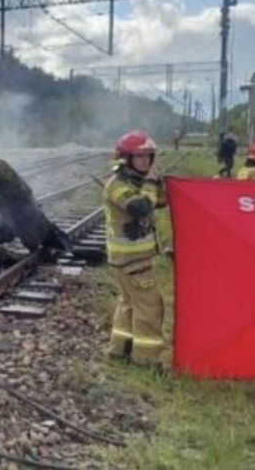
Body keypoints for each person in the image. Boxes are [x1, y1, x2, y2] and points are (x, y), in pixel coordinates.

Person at [104, 130, 168, 367]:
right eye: (139, 156)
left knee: (129, 304)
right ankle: (147, 361)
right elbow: (140, 207)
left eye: (148, 156)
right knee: (149, 308)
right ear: (126, 158)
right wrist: (151, 182)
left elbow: (160, 202)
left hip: (129, 261)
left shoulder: (134, 181)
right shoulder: (117, 185)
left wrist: (160, 184)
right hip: (133, 261)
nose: (145, 161)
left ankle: (119, 350)